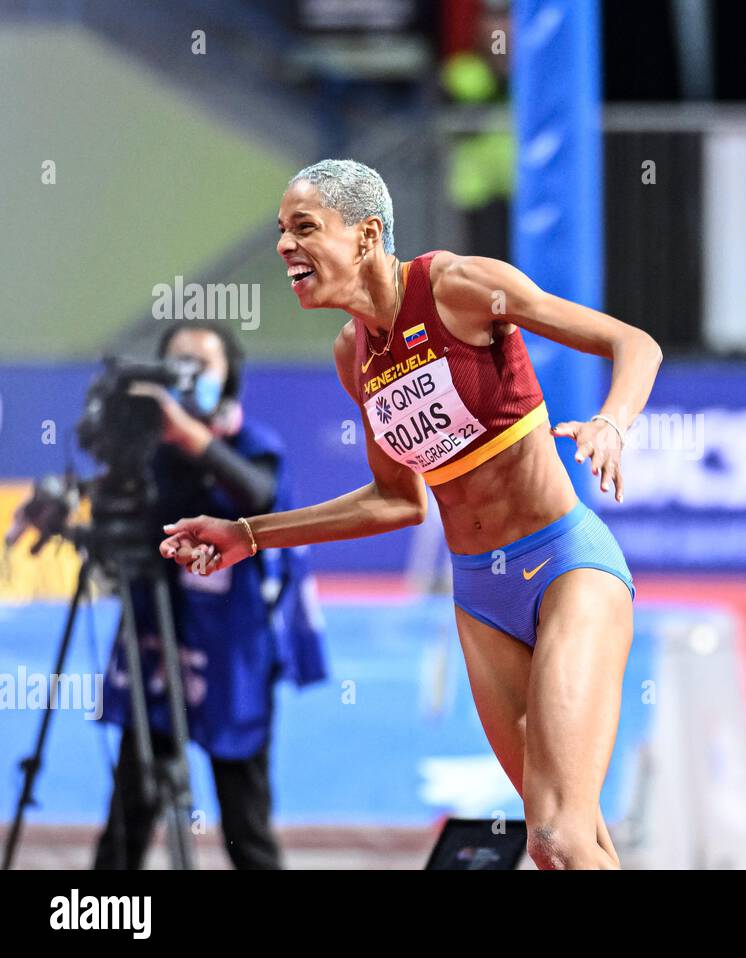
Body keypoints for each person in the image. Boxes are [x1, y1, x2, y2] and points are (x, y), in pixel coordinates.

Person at [159, 159, 662, 869]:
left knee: (559, 837)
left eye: (305, 227)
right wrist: (247, 535)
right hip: (481, 598)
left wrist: (611, 423)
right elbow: (395, 498)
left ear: (365, 235)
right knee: (562, 844)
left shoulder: (458, 287)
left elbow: (633, 343)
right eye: (280, 231)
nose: (283, 246)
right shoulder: (351, 354)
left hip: (566, 566)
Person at [95, 321, 327, 870]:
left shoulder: (255, 445)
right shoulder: (145, 453)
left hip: (233, 653)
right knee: (132, 807)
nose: (190, 376)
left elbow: (261, 495)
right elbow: (112, 525)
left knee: (245, 819)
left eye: (203, 366)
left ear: (229, 378)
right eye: (178, 364)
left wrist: (190, 437)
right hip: (159, 644)